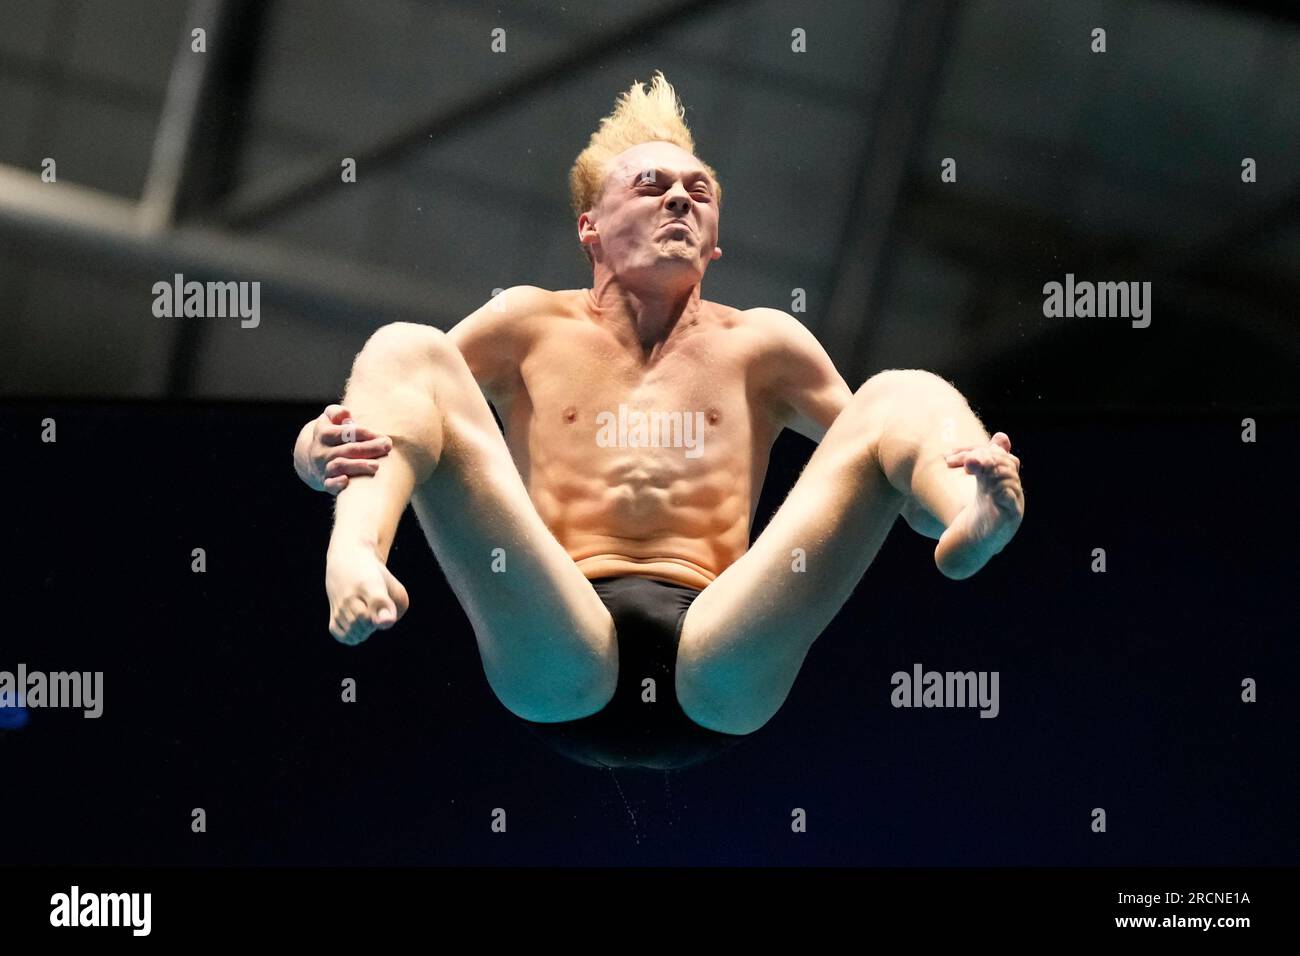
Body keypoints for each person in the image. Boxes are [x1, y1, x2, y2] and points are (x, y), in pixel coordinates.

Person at [291, 72, 1024, 769]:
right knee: (406, 347)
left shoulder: (765, 343)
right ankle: (353, 554)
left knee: (902, 389)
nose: (680, 198)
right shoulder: (527, 323)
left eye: (697, 192)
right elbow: (401, 400)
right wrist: (309, 452)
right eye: (652, 186)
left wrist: (941, 503)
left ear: (715, 243)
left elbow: (885, 459)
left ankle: (975, 516)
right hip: (559, 641)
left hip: (721, 649)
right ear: (591, 228)